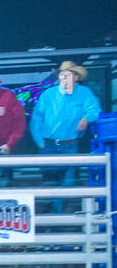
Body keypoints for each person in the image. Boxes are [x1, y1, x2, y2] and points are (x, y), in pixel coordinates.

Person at [30, 60, 101, 205]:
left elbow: (95, 110)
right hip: (48, 146)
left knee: (69, 186)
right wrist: (40, 143)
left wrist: (86, 119)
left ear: (76, 77)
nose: (64, 78)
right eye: (62, 75)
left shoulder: (84, 93)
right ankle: (52, 221)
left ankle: (64, 220)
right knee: (50, 185)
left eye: (68, 75)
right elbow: (36, 120)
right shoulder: (48, 95)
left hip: (70, 146)